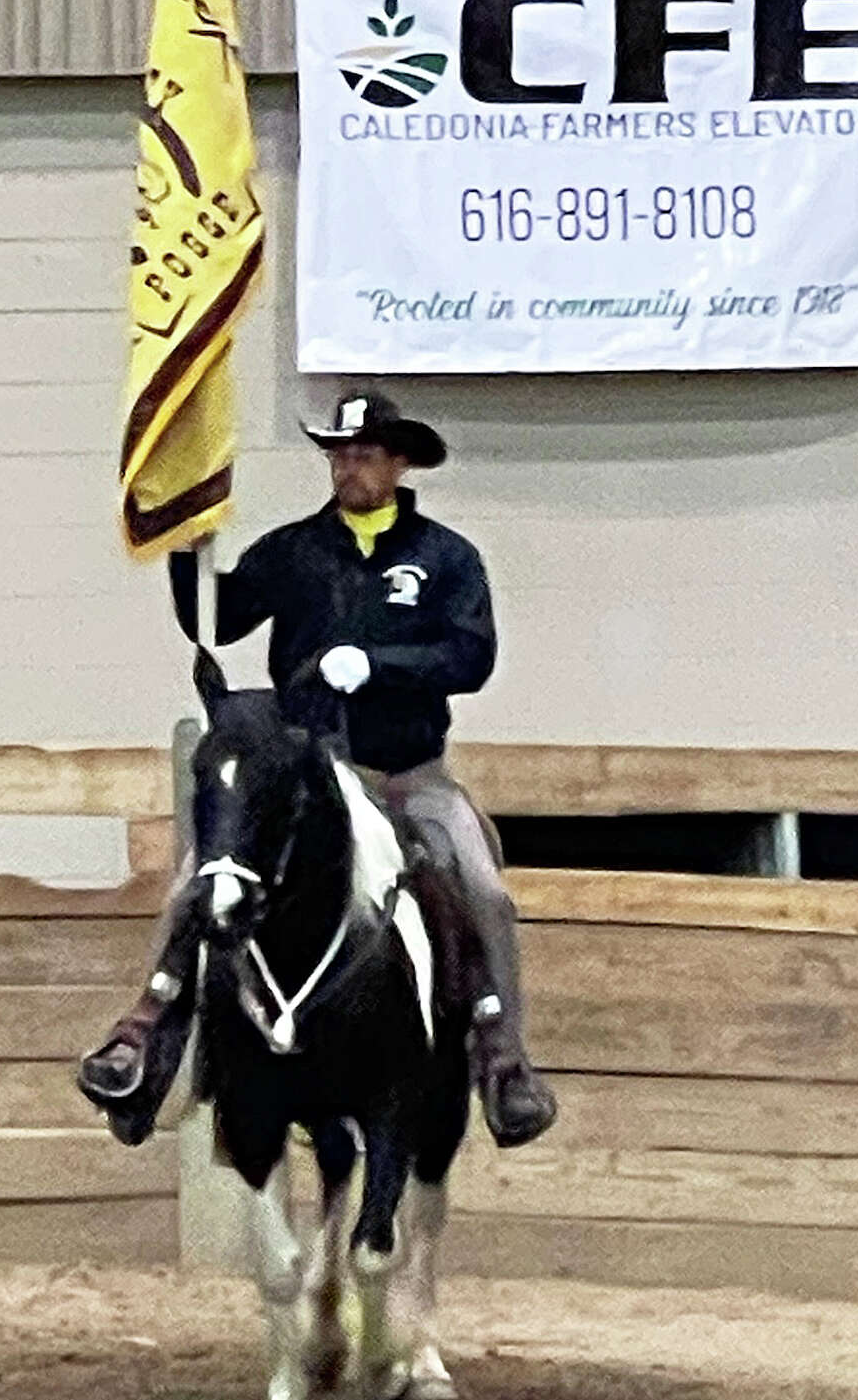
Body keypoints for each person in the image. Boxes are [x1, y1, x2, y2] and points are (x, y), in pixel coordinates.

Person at [78, 389, 557, 1151]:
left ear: (399, 463)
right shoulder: (294, 549)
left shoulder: (446, 558)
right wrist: (186, 548)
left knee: (483, 886)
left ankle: (503, 1059)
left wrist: (380, 664)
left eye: (364, 455)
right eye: (338, 455)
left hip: (407, 771)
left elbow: (471, 657)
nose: (349, 468)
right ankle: (146, 1034)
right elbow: (217, 619)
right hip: (306, 778)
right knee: (203, 877)